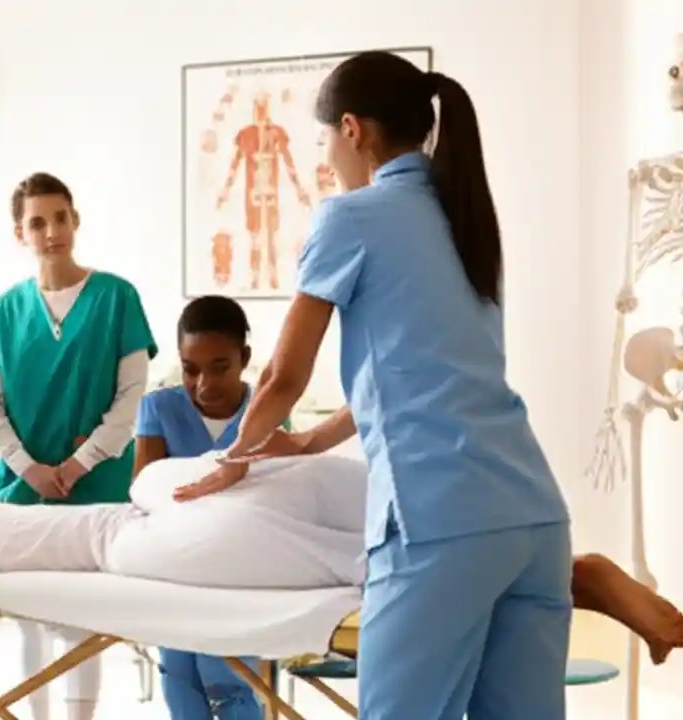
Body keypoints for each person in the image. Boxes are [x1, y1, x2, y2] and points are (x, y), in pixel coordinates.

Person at [173, 51, 573, 719]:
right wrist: (307, 445)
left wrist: (232, 458)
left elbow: (280, 376)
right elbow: (427, 371)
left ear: (353, 129)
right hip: (533, 518)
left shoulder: (350, 218)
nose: (327, 157)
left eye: (325, 139)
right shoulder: (468, 219)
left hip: (438, 523)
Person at [0, 433, 683, 673]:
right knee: (348, 537)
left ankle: (568, 573)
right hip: (145, 527)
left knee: (356, 570)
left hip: (148, 549)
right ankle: (566, 567)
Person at [0, 171, 157, 720]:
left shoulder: (116, 298)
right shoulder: (7, 311)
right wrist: (28, 468)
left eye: (60, 217)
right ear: (19, 233)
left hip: (96, 485)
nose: (51, 231)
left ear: (75, 220)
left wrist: (80, 463)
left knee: (82, 610)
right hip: (23, 489)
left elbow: (130, 401)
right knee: (27, 612)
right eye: (37, 222)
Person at [134, 295, 292, 720]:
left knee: (228, 682)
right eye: (190, 369)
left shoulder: (268, 412)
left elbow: (278, 498)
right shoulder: (158, 408)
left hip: (240, 571)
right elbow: (146, 491)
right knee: (181, 681)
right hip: (176, 569)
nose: (204, 383)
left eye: (219, 367)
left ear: (244, 358)